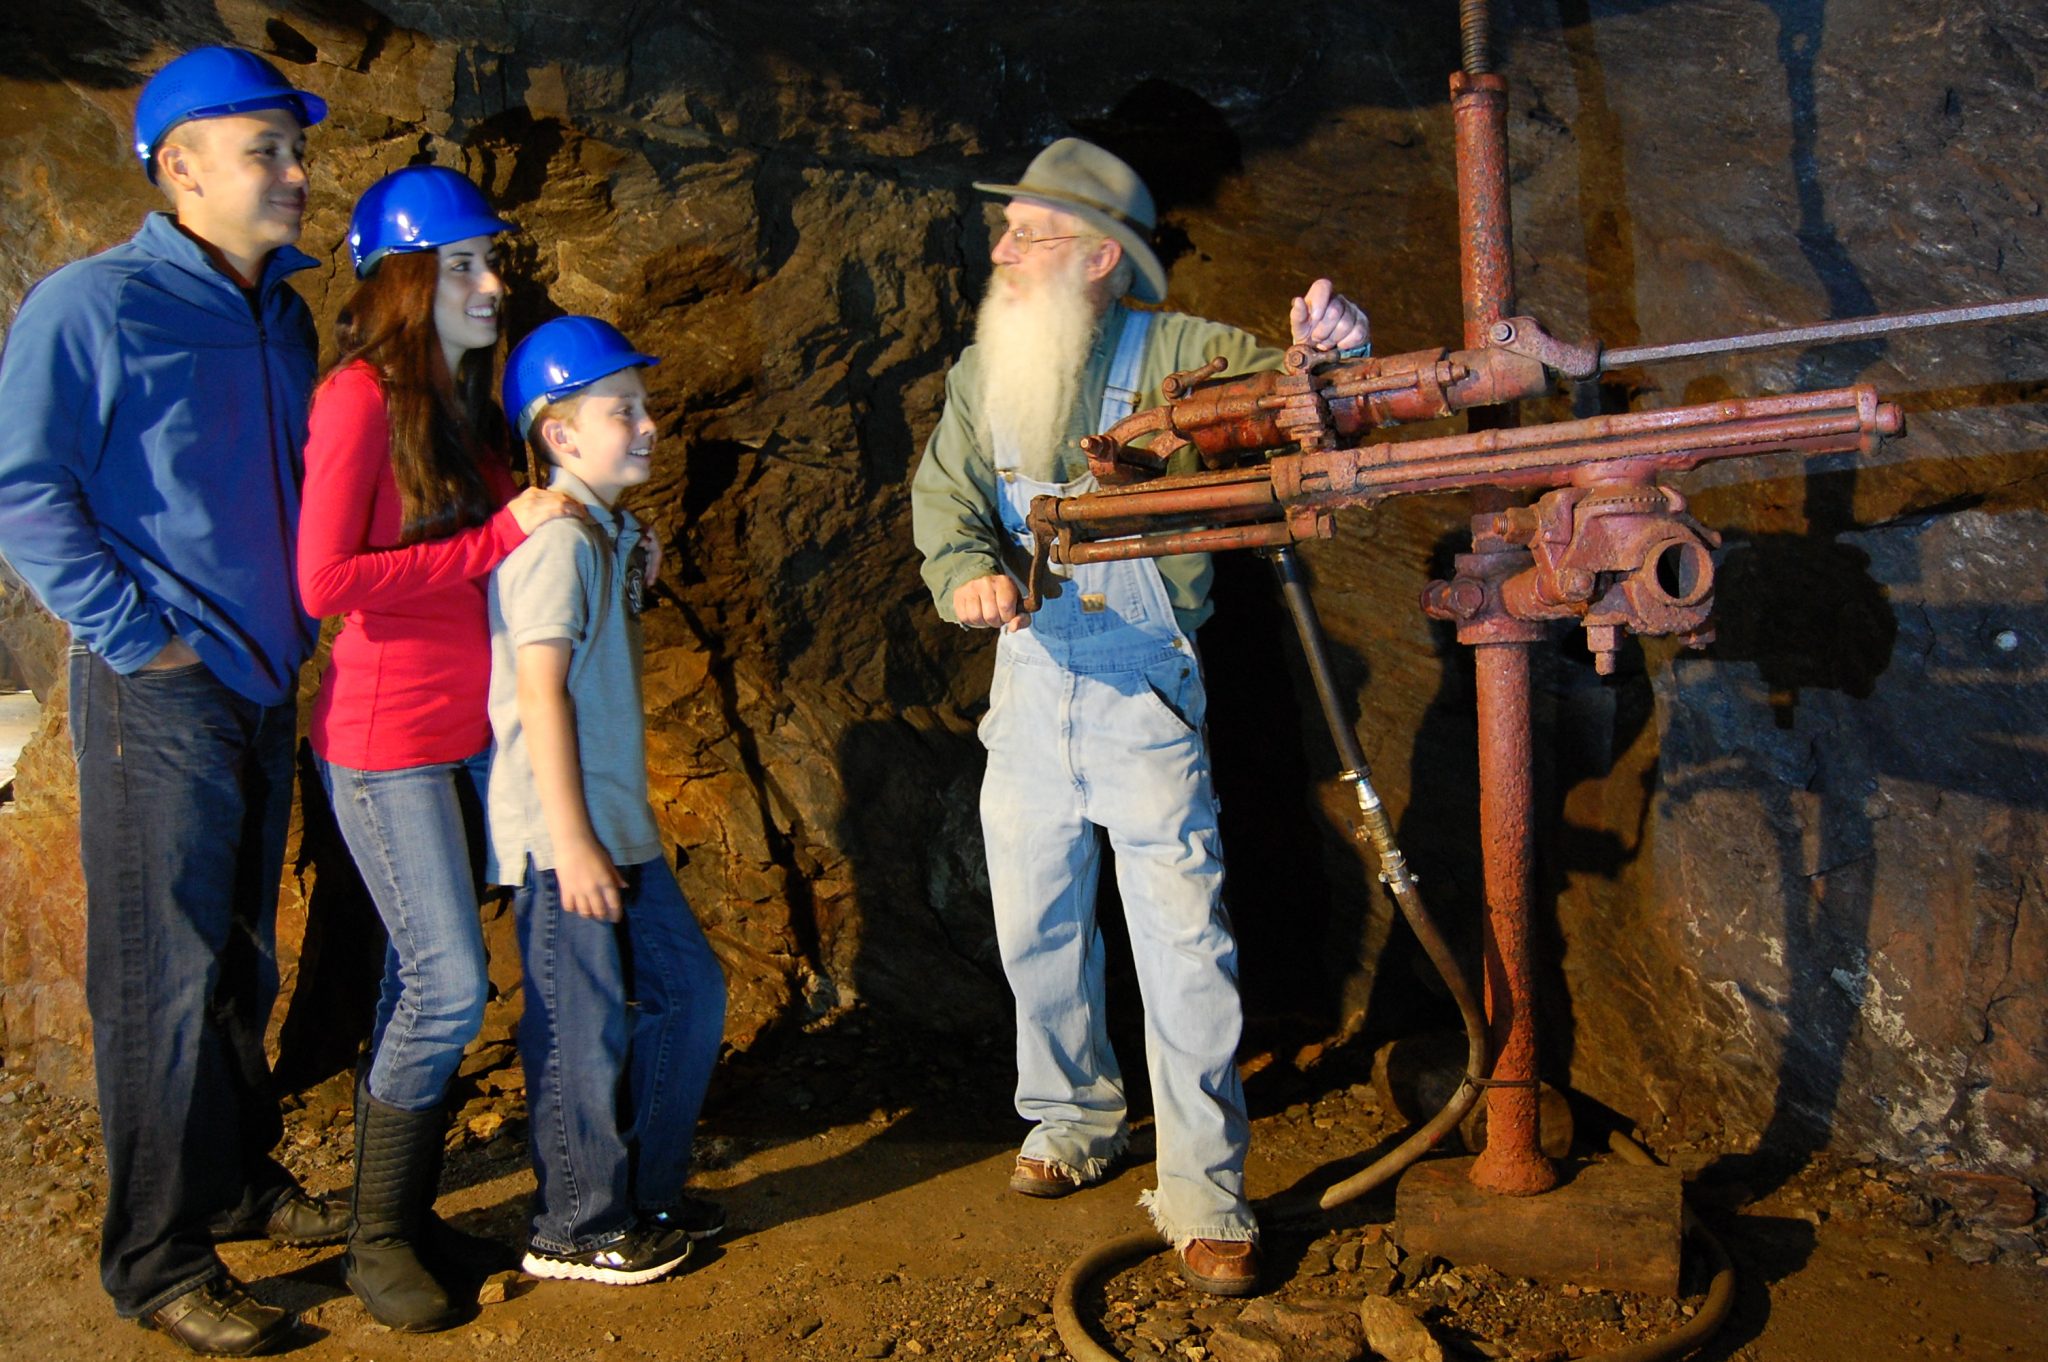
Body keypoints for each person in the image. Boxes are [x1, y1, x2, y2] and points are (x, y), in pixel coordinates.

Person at [909, 137, 1369, 1297]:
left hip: (1141, 684)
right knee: (1035, 924)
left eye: (1030, 234)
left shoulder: (1182, 356)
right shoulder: (986, 369)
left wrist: (1329, 354)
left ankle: (1207, 1189)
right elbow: (947, 497)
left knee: (1179, 942)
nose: (1002, 251)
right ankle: (1073, 1120)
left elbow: (1301, 406)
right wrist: (964, 565)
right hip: (1028, 682)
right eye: (1005, 231)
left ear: (1102, 258)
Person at [0, 46, 347, 1354]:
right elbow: (24, 489)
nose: (296, 173)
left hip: (263, 678)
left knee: (241, 956)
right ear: (180, 164)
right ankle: (154, 1258)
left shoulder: (283, 315)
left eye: (294, 148)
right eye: (266, 149)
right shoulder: (91, 306)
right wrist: (139, 638)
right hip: (160, 692)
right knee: (161, 975)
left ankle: (236, 1179)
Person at [296, 165, 584, 1330]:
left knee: (424, 979)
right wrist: (495, 538)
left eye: (490, 260)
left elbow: (511, 550)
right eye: (462, 264)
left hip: (472, 738)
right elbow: (326, 581)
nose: (490, 281)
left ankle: (406, 1217)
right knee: (452, 984)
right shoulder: (358, 400)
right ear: (405, 281)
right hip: (384, 740)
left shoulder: (468, 405)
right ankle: (374, 1240)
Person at [487, 316, 728, 1286]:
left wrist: (635, 548)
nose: (648, 426)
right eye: (620, 410)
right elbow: (536, 691)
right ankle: (576, 1226)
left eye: (643, 407)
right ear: (559, 434)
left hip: (614, 826)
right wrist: (573, 840)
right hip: (566, 833)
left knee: (688, 993)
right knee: (579, 1028)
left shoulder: (601, 535)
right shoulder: (554, 547)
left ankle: (650, 1195)